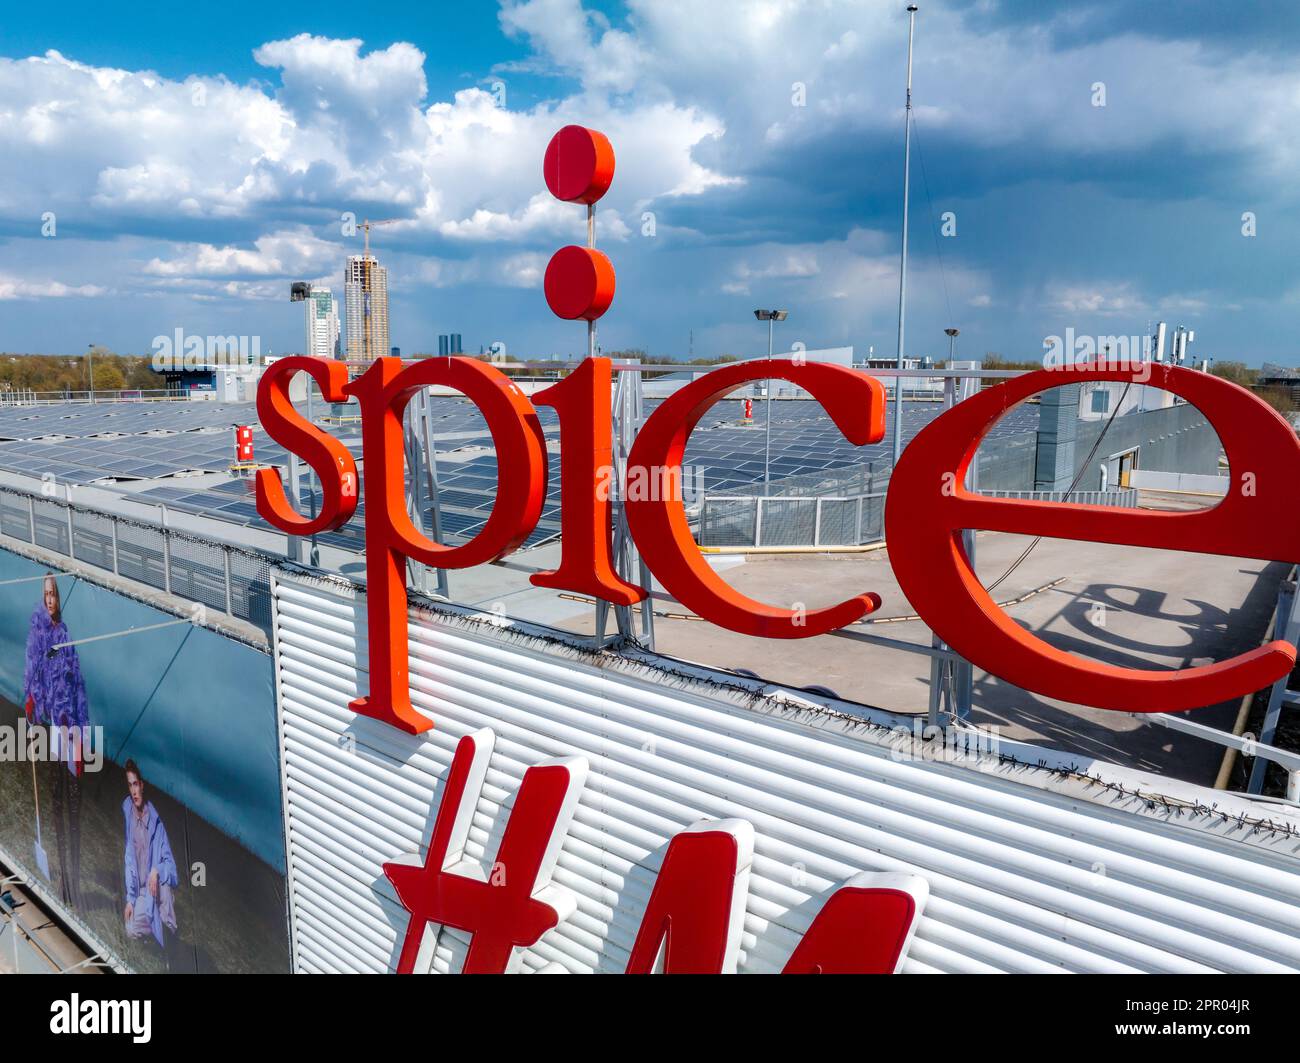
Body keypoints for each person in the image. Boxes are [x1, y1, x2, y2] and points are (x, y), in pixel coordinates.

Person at [22, 574, 89, 909]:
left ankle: (73, 878)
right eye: (46, 594)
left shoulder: (65, 634)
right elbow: (31, 674)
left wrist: (80, 731)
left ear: (59, 597)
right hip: (52, 727)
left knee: (74, 803)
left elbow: (78, 685)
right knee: (58, 802)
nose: (50, 599)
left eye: (54, 594)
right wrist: (32, 702)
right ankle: (62, 877)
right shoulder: (38, 634)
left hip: (69, 728)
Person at [122, 759, 179, 951]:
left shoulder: (156, 823)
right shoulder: (128, 814)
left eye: (136, 784)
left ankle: (170, 936)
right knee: (129, 930)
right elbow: (129, 862)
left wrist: (157, 870)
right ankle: (155, 932)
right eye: (130, 785)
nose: (134, 791)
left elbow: (172, 869)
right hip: (141, 893)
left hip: (156, 890)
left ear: (142, 785)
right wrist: (130, 900)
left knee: (163, 882)